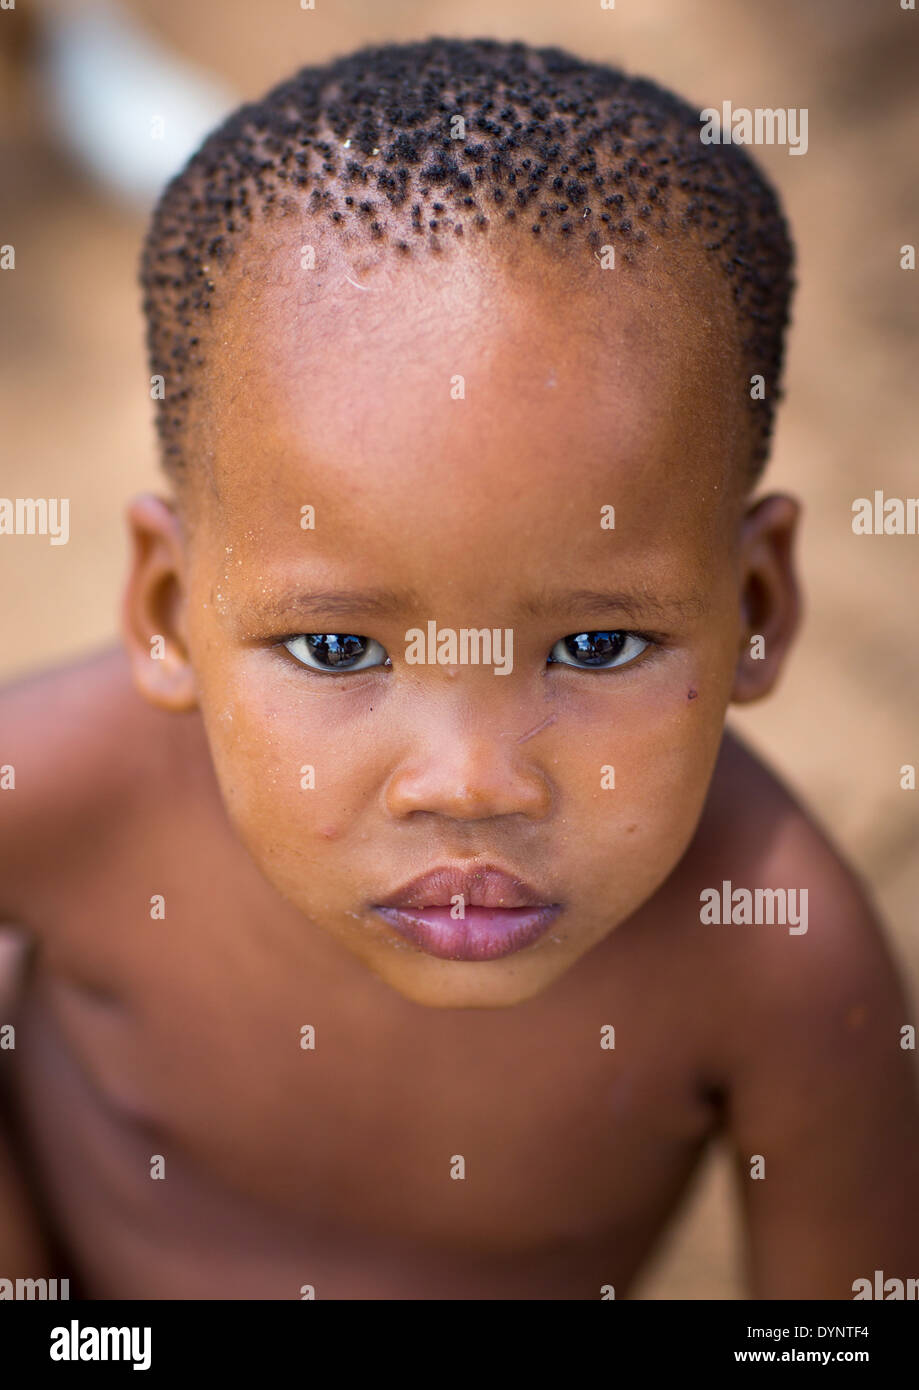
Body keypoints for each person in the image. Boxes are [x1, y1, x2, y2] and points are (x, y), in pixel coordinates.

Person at [1, 37, 916, 1300]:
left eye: (595, 645)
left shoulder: (778, 961)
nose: (473, 783)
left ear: (755, 609)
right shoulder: (59, 797)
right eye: (337, 647)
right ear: (166, 611)